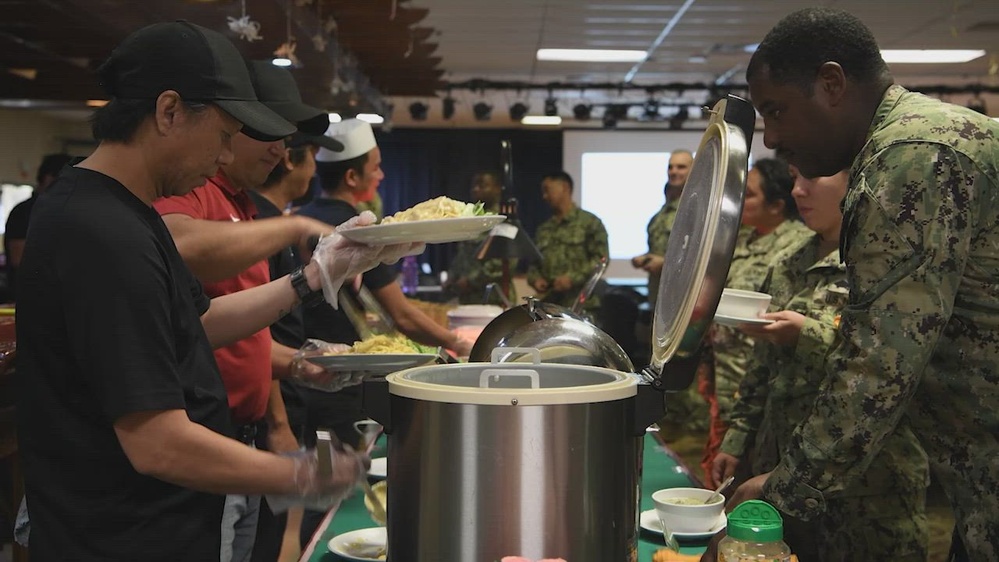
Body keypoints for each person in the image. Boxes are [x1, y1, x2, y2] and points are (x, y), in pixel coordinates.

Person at [15, 21, 419, 562]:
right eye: (225, 135)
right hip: (117, 536)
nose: (226, 156)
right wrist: (297, 473)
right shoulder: (98, 230)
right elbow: (156, 442)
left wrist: (312, 278)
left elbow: (197, 322)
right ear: (169, 111)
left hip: (162, 525)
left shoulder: (128, 216)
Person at [725, 8, 999, 561]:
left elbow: (881, 360)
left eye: (776, 111)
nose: (772, 138)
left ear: (831, 84)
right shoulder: (927, 137)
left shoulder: (910, 156)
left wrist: (785, 489)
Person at [152, 60, 345, 562]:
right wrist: (296, 229)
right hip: (197, 441)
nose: (281, 148)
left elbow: (235, 329)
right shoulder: (192, 191)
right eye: (266, 131)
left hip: (242, 436)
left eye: (286, 136)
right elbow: (178, 246)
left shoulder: (243, 203)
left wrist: (298, 365)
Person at [709, 168, 929, 561]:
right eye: (794, 178)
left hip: (866, 483)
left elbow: (896, 361)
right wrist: (738, 438)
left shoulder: (887, 260)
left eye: (811, 178)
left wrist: (806, 334)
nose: (797, 190)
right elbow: (762, 364)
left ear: (855, 182)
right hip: (783, 468)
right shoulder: (789, 262)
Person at [296, 118, 475, 544]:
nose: (381, 175)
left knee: (309, 495)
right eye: (375, 167)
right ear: (352, 176)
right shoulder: (357, 230)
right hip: (339, 383)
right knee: (340, 499)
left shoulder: (300, 218)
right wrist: (455, 342)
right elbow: (402, 316)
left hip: (298, 377)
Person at [700, 157, 810, 487]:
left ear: (777, 205)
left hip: (761, 383)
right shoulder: (741, 240)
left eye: (748, 194)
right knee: (721, 473)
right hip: (727, 377)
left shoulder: (797, 246)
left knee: (749, 481)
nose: (739, 201)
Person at [526, 171, 609, 315]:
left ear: (564, 187)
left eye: (547, 190)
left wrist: (572, 279)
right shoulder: (544, 229)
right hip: (550, 306)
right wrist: (536, 279)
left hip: (582, 306)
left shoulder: (590, 223)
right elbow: (534, 264)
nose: (544, 196)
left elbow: (601, 260)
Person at [3, 152, 73, 301]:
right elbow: (19, 260)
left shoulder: (64, 210)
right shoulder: (24, 212)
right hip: (27, 296)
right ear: (49, 178)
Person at [631, 149, 693, 305]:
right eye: (670, 167)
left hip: (683, 296)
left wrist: (665, 264)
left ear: (693, 170)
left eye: (681, 167)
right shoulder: (663, 211)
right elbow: (661, 248)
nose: (674, 171)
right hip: (658, 294)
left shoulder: (698, 208)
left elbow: (701, 255)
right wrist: (646, 258)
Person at [445, 170, 514, 305]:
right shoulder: (472, 219)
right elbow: (462, 254)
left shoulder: (505, 219)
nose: (476, 189)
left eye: (482, 186)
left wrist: (471, 281)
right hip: (468, 300)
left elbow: (506, 262)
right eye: (474, 186)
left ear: (497, 188)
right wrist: (452, 276)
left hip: (494, 299)